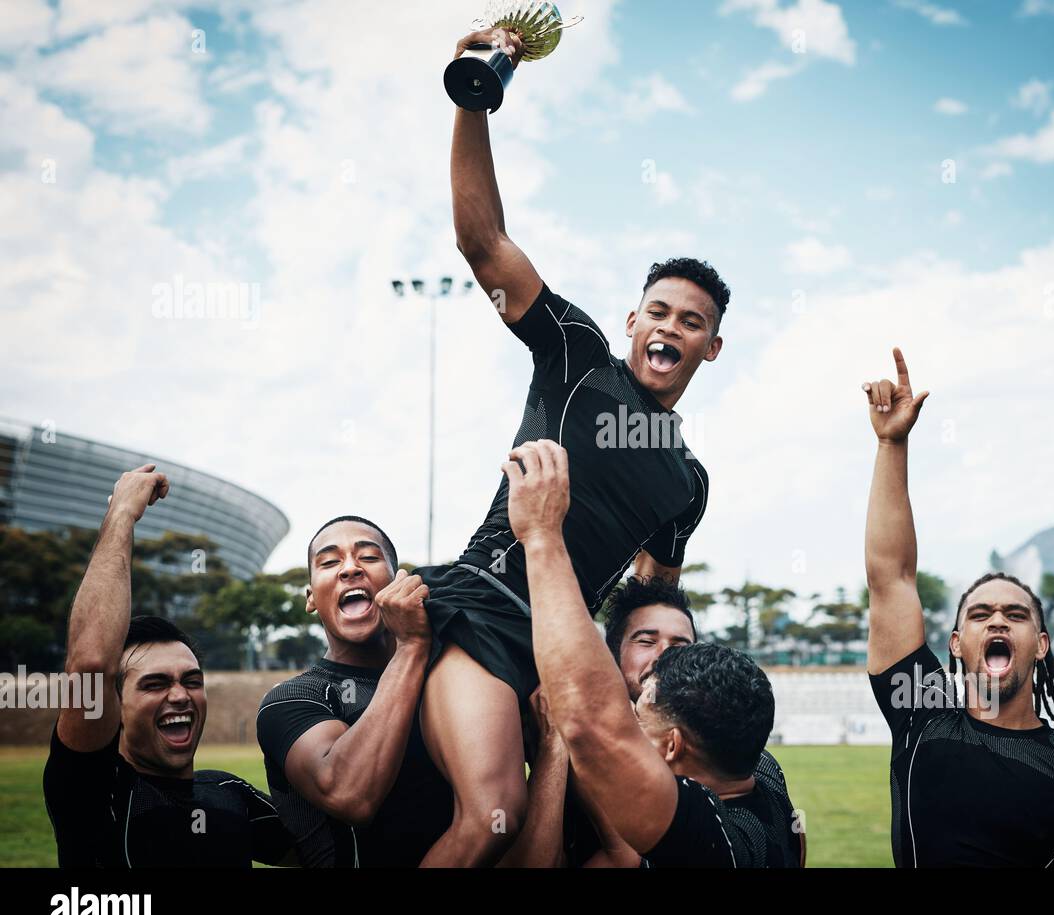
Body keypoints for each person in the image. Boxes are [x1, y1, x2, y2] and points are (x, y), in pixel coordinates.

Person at [413, 27, 727, 866]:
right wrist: (472, 100)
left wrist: (657, 688)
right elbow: (483, 245)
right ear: (632, 322)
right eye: (658, 311)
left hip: (570, 665)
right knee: (493, 820)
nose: (670, 327)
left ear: (710, 348)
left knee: (628, 846)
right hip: (483, 613)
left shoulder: (688, 483)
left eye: (692, 322)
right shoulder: (578, 356)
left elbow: (650, 599)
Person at [862, 349, 1054, 867]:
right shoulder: (921, 716)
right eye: (979, 615)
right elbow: (891, 576)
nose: (998, 619)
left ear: (1041, 645)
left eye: (1016, 615)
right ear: (955, 643)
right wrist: (892, 443)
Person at [503, 438, 801, 867]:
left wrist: (541, 535)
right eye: (646, 641)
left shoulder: (704, 831)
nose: (663, 657)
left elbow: (594, 723)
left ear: (673, 746)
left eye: (644, 714)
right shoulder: (758, 771)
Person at [44, 464, 295, 868]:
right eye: (154, 684)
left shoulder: (228, 793)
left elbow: (333, 850)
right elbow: (91, 665)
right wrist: (122, 513)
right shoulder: (93, 791)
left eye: (191, 680)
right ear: (113, 708)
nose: (180, 695)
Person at [256, 516, 453, 866]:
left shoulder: (447, 679)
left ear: (398, 583)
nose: (350, 569)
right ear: (311, 597)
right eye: (330, 562)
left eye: (369, 557)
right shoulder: (292, 700)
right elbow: (351, 795)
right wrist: (410, 646)